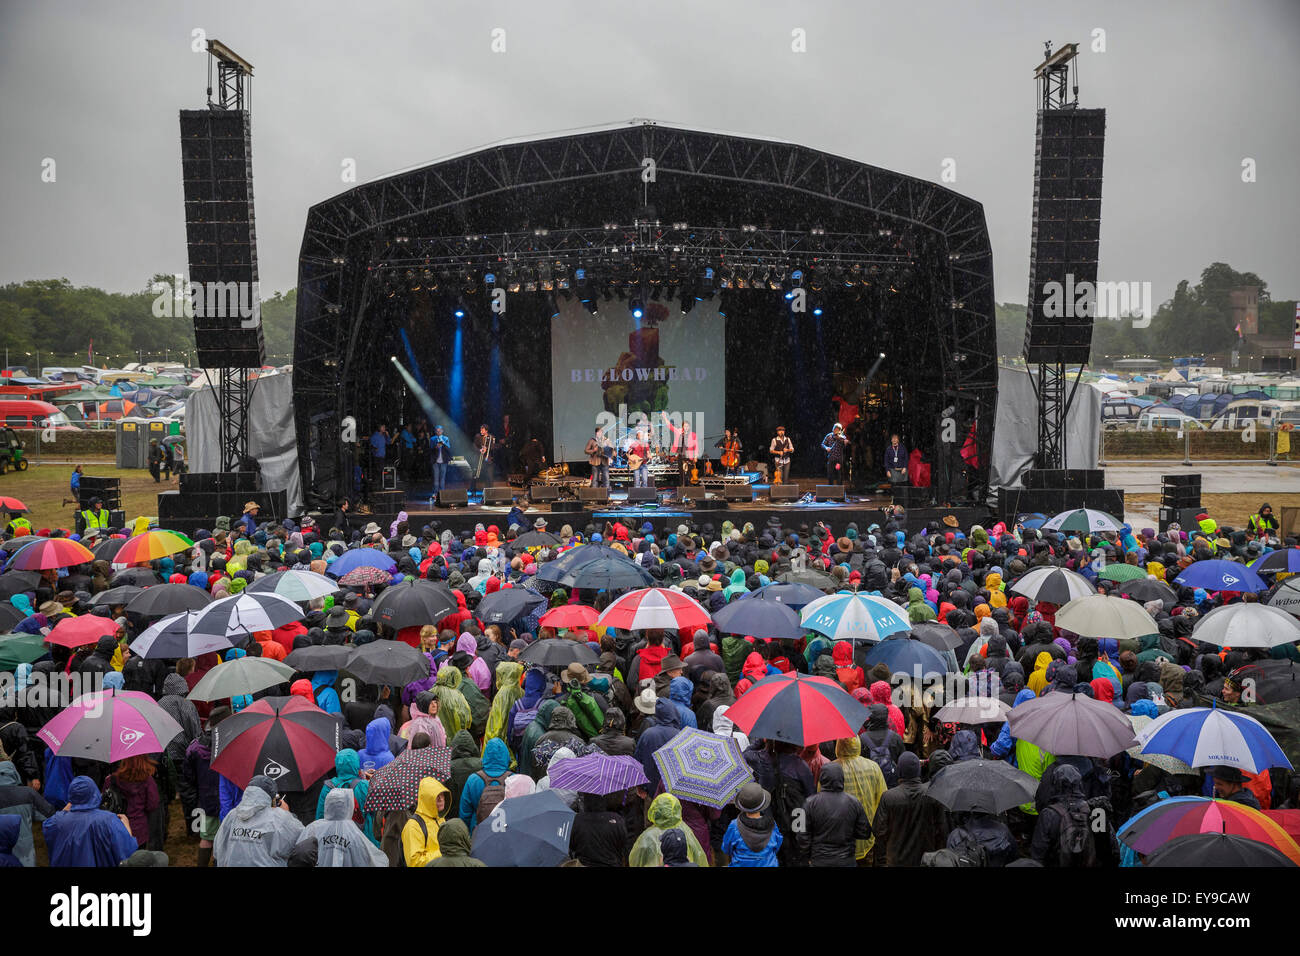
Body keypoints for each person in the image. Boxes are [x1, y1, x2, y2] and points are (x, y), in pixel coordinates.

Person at [41, 776, 138, 867]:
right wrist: (127, 827)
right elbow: (127, 852)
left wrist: (74, 802)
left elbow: (48, 827)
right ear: (95, 793)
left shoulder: (58, 821)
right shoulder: (109, 820)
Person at [871, 752, 949, 866]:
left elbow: (879, 831)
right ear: (918, 771)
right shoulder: (932, 794)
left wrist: (882, 861)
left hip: (896, 860)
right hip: (926, 859)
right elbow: (942, 831)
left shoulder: (888, 797)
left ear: (900, 771)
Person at [213, 774, 305, 867]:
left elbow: (218, 850)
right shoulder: (280, 817)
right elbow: (302, 839)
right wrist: (288, 813)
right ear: (272, 797)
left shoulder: (232, 815)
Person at [796, 763, 872, 867]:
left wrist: (809, 856)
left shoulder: (809, 803)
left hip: (819, 860)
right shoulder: (854, 803)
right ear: (841, 778)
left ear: (821, 778)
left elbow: (801, 836)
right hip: (846, 861)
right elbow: (865, 833)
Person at [295, 788, 388, 867]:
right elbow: (371, 859)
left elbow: (299, 855)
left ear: (327, 804)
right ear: (348, 805)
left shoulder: (313, 828)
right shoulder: (354, 832)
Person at [721, 782, 782, 866]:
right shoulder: (772, 824)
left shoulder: (734, 826)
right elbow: (777, 845)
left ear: (741, 804)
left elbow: (726, 849)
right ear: (763, 803)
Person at [403, 776, 451, 866]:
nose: (441, 799)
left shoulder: (440, 818)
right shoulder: (413, 826)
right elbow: (414, 862)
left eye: (442, 794)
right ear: (426, 799)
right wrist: (444, 853)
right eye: (436, 796)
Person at [472, 424, 495, 491]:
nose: (481, 431)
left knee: (489, 477)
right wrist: (479, 450)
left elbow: (493, 447)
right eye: (480, 429)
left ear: (486, 430)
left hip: (488, 460)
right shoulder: (478, 436)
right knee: (475, 475)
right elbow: (474, 446)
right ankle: (473, 491)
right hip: (479, 459)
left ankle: (490, 493)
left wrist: (486, 449)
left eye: (482, 429)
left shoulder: (491, 437)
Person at [629, 424, 652, 489]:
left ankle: (644, 495)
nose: (641, 436)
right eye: (639, 435)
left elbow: (647, 453)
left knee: (645, 481)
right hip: (636, 465)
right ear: (637, 436)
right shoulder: (634, 444)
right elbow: (627, 453)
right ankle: (637, 496)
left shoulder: (646, 444)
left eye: (642, 435)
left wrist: (649, 456)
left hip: (643, 464)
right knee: (637, 481)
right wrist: (631, 459)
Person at [431, 425, 452, 496]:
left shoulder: (446, 438)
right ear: (435, 431)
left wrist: (444, 443)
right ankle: (436, 493)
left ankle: (442, 493)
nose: (438, 432)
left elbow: (449, 449)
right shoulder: (432, 439)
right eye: (437, 431)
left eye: (440, 430)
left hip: (444, 461)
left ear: (442, 431)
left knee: (442, 478)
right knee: (436, 478)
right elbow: (430, 449)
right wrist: (435, 447)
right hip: (435, 461)